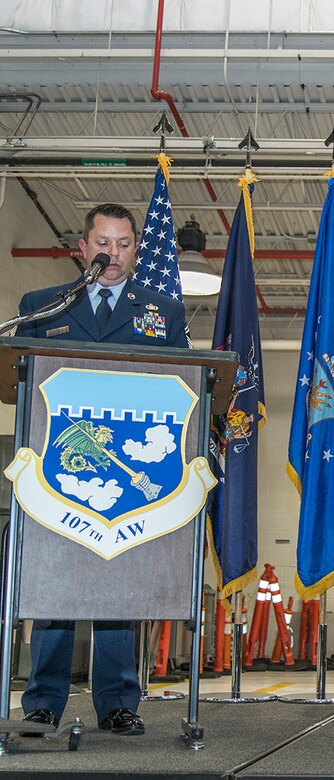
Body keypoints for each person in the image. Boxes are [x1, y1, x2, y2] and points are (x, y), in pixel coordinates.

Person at [17, 202, 189, 737]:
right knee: (52, 582)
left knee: (119, 585)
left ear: (137, 251)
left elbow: (179, 377)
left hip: (125, 471)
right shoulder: (43, 306)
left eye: (122, 244)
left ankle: (118, 702)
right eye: (102, 243)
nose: (111, 254)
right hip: (58, 470)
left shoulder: (161, 309)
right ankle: (42, 702)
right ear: (82, 247)